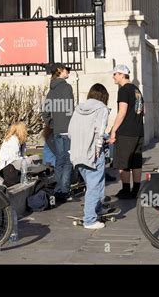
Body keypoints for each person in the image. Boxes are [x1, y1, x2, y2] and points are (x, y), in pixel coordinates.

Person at [68, 84, 110, 229]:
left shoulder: (78, 109)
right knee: (94, 185)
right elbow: (100, 131)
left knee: (93, 184)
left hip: (77, 153)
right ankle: (90, 220)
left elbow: (70, 131)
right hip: (93, 153)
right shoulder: (102, 109)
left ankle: (97, 209)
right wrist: (98, 149)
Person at [108, 64, 145, 199]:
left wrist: (113, 131)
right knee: (136, 161)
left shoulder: (123, 90)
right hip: (138, 131)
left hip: (126, 132)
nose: (113, 76)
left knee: (123, 162)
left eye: (115, 74)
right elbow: (143, 111)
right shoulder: (137, 90)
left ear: (122, 75)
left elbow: (122, 112)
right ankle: (135, 190)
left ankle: (125, 190)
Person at [42, 63, 75, 202]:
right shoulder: (66, 87)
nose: (68, 71)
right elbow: (70, 110)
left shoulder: (51, 90)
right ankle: (63, 190)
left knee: (60, 159)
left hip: (57, 130)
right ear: (60, 71)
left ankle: (59, 188)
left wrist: (53, 124)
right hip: (67, 130)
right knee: (67, 161)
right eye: (66, 69)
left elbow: (46, 113)